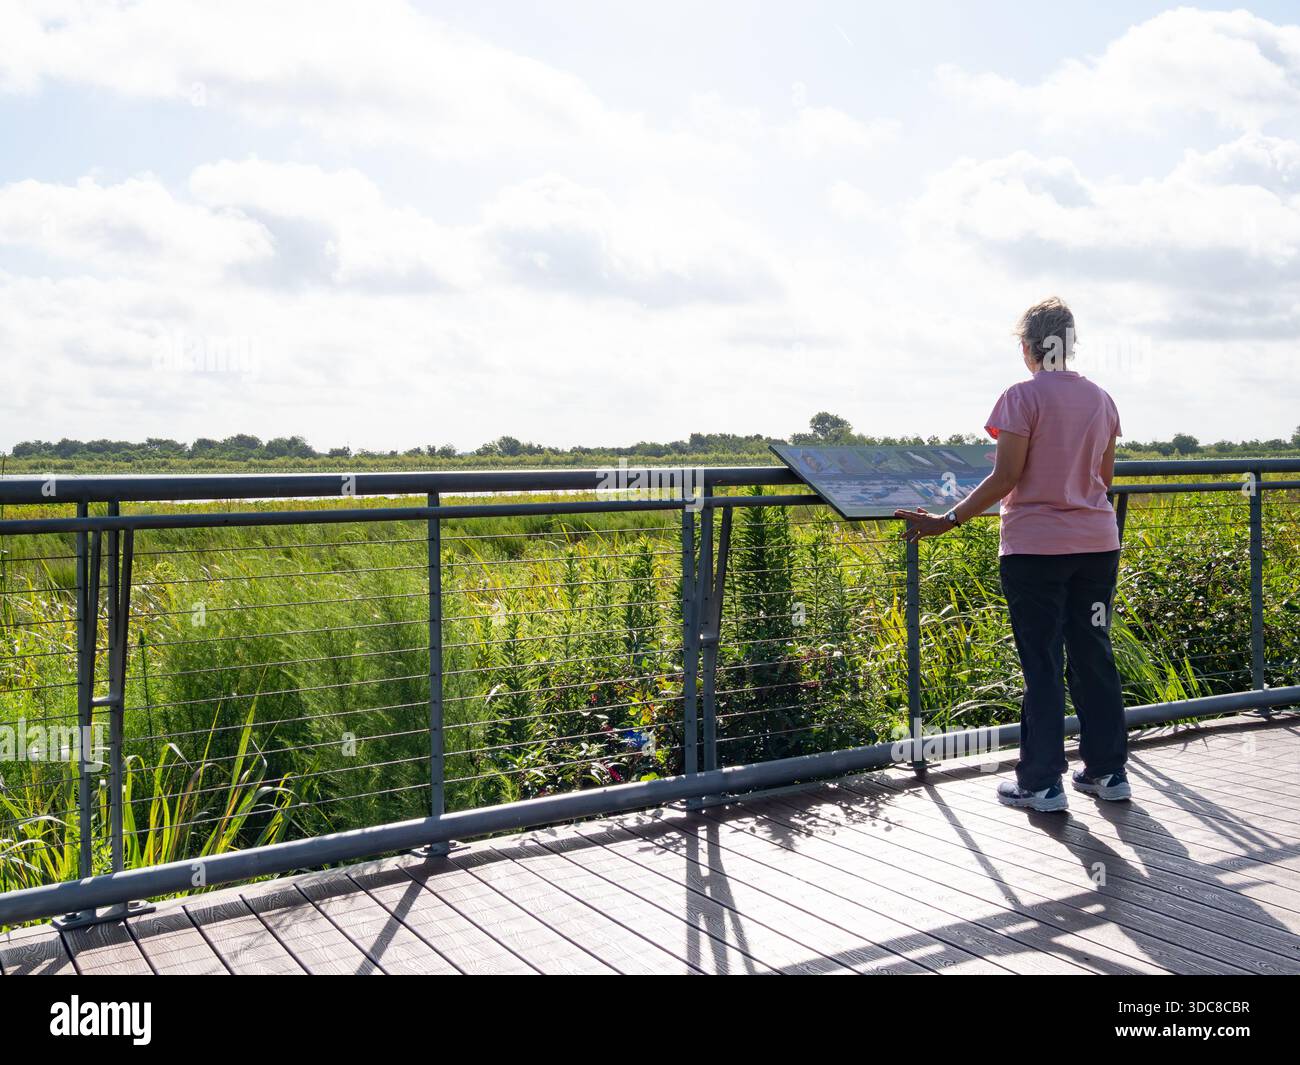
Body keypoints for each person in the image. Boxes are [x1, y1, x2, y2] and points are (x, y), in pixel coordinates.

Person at [893, 297, 1130, 812]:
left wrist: (947, 519)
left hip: (1035, 550)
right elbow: (1104, 479)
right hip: (1096, 545)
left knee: (1042, 662)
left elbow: (1006, 477)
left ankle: (1041, 782)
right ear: (1069, 345)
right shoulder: (1102, 399)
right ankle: (1109, 773)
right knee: (1093, 652)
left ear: (1027, 347)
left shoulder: (1021, 397)